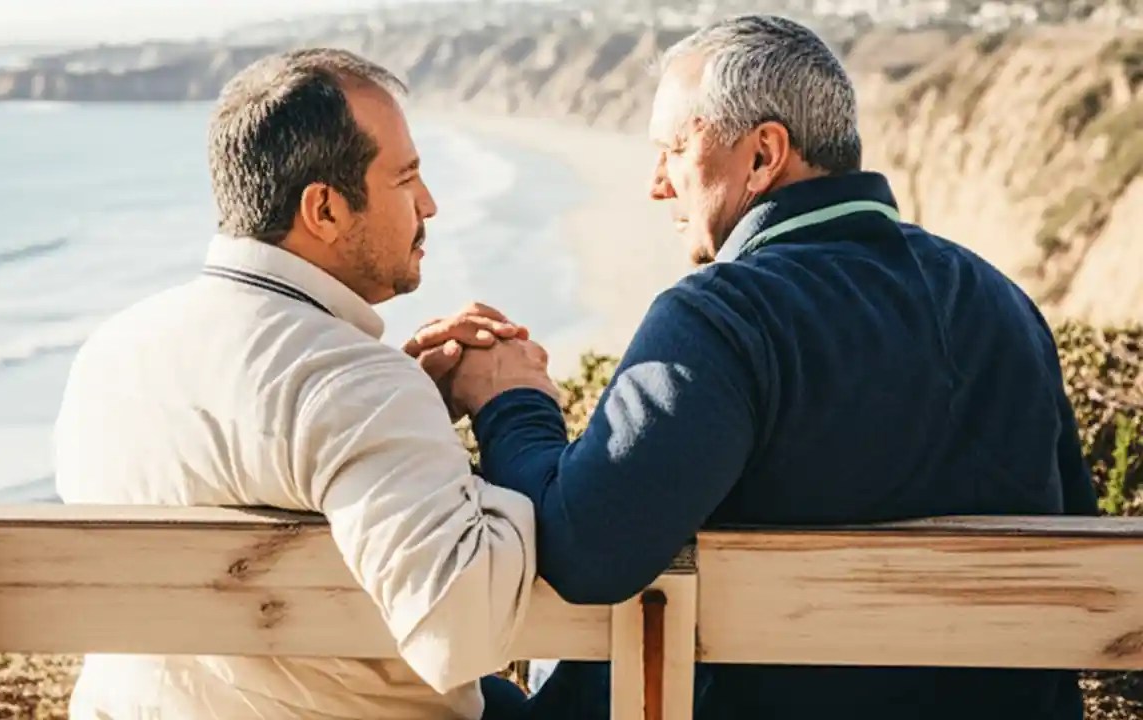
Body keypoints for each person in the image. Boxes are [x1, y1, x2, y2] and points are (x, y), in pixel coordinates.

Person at [409, 15, 1097, 720]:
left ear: (764, 154)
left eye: (674, 150)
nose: (656, 184)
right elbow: (1079, 536)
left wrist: (510, 400)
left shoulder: (725, 318)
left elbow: (586, 553)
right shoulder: (1002, 300)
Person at [54, 48, 555, 719]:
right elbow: (460, 633)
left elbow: (261, 451)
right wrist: (511, 408)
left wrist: (415, 419)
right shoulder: (354, 385)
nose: (429, 204)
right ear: (324, 209)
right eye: (406, 179)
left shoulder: (109, 355)